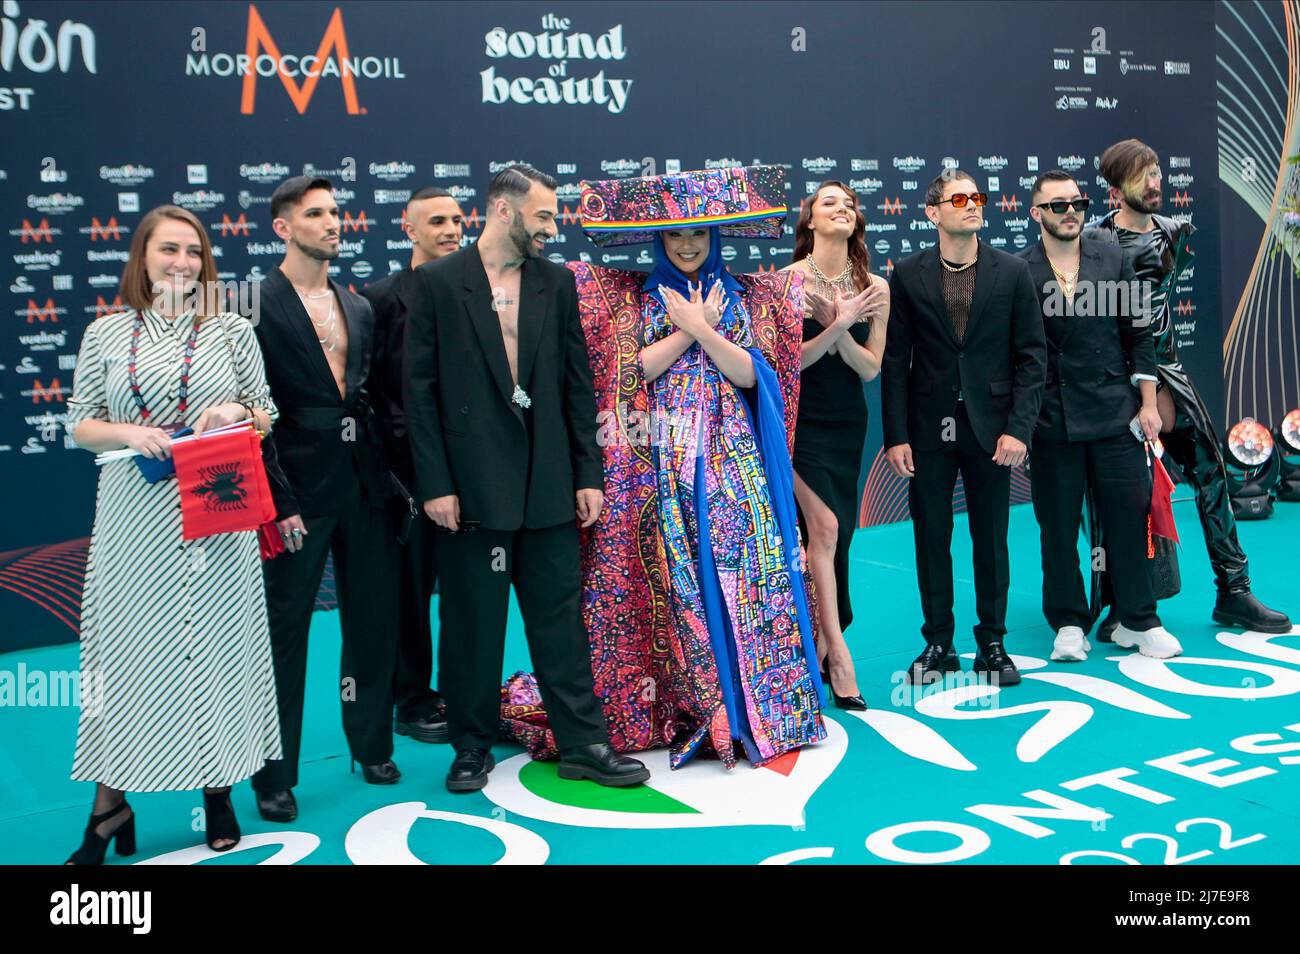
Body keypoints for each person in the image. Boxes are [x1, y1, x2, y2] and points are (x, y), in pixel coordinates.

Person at [404, 163, 649, 792]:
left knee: (560, 619)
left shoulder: (556, 283)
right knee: (470, 624)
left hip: (547, 483)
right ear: (506, 212)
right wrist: (434, 484)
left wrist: (587, 471)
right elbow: (419, 394)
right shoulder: (436, 283)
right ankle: (470, 746)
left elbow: (576, 382)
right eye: (543, 216)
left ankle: (583, 743)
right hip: (470, 488)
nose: (552, 227)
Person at [65, 205, 281, 862]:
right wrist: (132, 432)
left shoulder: (232, 330)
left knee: (215, 649)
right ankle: (110, 805)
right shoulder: (104, 334)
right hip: (134, 522)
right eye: (168, 250)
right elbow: (81, 424)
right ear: (142, 257)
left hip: (217, 515)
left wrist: (235, 410)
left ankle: (218, 789)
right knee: (126, 661)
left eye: (193, 251)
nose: (182, 263)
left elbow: (266, 413)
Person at [639, 221, 827, 766]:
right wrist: (687, 328)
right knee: (688, 582)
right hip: (671, 455)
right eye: (675, 238)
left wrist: (705, 328)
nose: (688, 245)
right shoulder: (647, 298)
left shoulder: (734, 295)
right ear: (661, 243)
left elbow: (750, 374)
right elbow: (637, 372)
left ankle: (767, 712)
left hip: (734, 458)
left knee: (753, 576)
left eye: (697, 234)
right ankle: (709, 711)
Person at [1086, 139, 1292, 635]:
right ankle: (1120, 602)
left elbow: (1156, 313)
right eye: (1143, 176)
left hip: (1169, 371)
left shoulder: (1178, 231)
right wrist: (1135, 390)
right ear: (1116, 191)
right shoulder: (1094, 242)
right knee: (1119, 494)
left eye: (1158, 172)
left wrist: (1157, 386)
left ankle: (1235, 592)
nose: (1157, 184)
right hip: (1115, 378)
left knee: (1213, 472)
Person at [247, 176, 400, 823]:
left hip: (362, 483)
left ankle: (370, 745)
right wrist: (276, 497)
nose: (333, 223)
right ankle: (273, 773)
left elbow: (366, 399)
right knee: (284, 632)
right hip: (294, 490)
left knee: (371, 621)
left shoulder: (357, 305)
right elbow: (254, 413)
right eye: (316, 214)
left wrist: (394, 481)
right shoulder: (255, 303)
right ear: (283, 227)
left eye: (336, 212)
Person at [881, 170, 1047, 686]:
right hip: (929, 429)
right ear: (933, 212)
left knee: (990, 538)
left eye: (977, 197)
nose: (973, 204)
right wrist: (896, 435)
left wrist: (1019, 429)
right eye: (960, 198)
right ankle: (938, 643)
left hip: (993, 428)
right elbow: (895, 361)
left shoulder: (1012, 271)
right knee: (932, 537)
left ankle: (992, 643)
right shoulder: (906, 274)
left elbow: (1032, 357)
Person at [1020, 170, 1181, 660]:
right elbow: (1018, 355)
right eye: (1058, 205)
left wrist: (1149, 405)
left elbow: (1138, 336)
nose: (1071, 212)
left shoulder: (1112, 257)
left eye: (1078, 202)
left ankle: (1138, 618)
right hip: (1052, 419)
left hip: (1115, 412)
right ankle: (1069, 622)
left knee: (1129, 519)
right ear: (1036, 214)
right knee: (1058, 524)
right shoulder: (1018, 270)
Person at [361, 187, 465, 744]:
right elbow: (372, 392)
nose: (450, 229)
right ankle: (413, 698)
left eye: (456, 219)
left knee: (468, 591)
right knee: (410, 592)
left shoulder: (480, 294)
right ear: (408, 229)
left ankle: (462, 691)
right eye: (437, 221)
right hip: (406, 479)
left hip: (472, 471)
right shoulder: (378, 300)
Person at [784, 181, 890, 710]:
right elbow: (788, 365)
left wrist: (843, 327)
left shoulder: (874, 287)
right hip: (795, 423)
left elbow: (870, 367)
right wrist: (835, 326)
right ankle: (839, 655)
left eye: (849, 204)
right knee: (822, 529)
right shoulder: (784, 283)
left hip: (847, 424)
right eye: (830, 202)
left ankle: (820, 641)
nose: (842, 209)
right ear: (809, 221)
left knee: (834, 538)